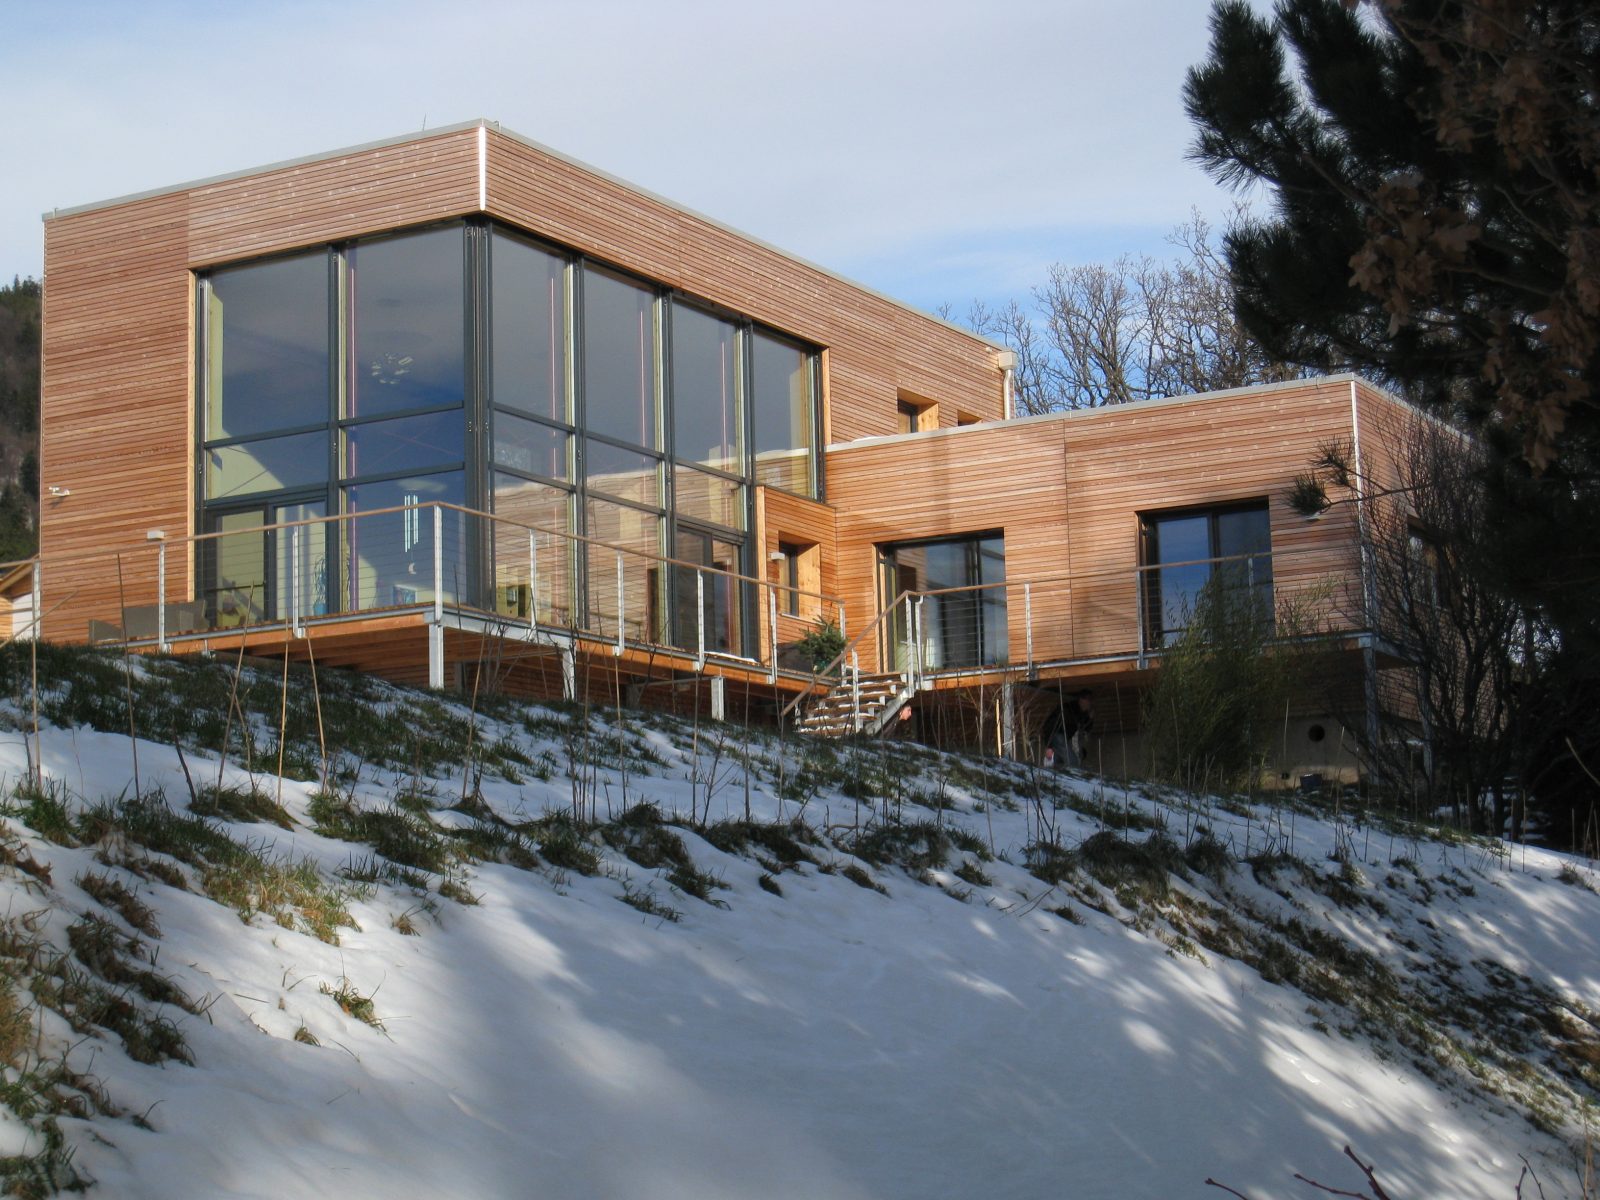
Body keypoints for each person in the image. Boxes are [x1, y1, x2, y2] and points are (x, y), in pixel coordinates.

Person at [1043, 690, 1094, 770]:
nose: (1090, 704)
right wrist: (1048, 746)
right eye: (1088, 701)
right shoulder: (1068, 710)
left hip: (1064, 739)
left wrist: (1090, 718)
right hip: (1057, 736)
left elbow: (1085, 729)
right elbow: (1050, 726)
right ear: (1081, 700)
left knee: (1058, 762)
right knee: (1072, 762)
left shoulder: (1080, 713)